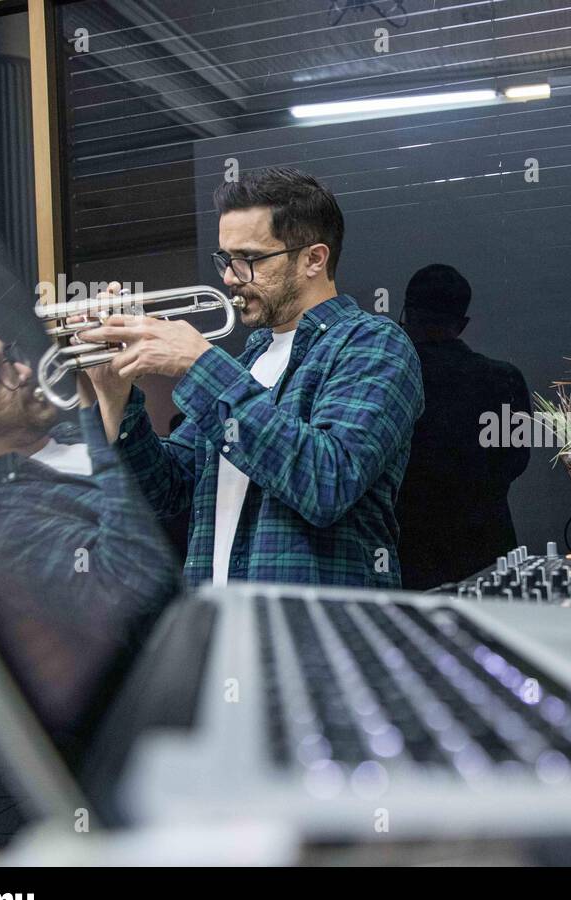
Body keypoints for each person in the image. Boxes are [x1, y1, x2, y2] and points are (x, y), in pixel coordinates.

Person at [80, 167, 424, 588]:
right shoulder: (251, 359)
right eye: (226, 259)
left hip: (313, 637)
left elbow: (327, 481)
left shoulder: (373, 344)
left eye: (248, 260)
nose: (228, 277)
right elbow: (166, 492)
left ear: (313, 258)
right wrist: (114, 394)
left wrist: (201, 365)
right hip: (225, 630)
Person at [0, 304, 178, 663]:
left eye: (8, 355)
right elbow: (133, 589)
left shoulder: (75, 435)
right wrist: (97, 401)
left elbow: (183, 487)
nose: (24, 371)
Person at [394, 264, 531, 589]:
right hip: (488, 549)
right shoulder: (506, 378)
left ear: (408, 315)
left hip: (410, 555)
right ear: (462, 322)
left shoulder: (393, 381)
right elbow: (516, 461)